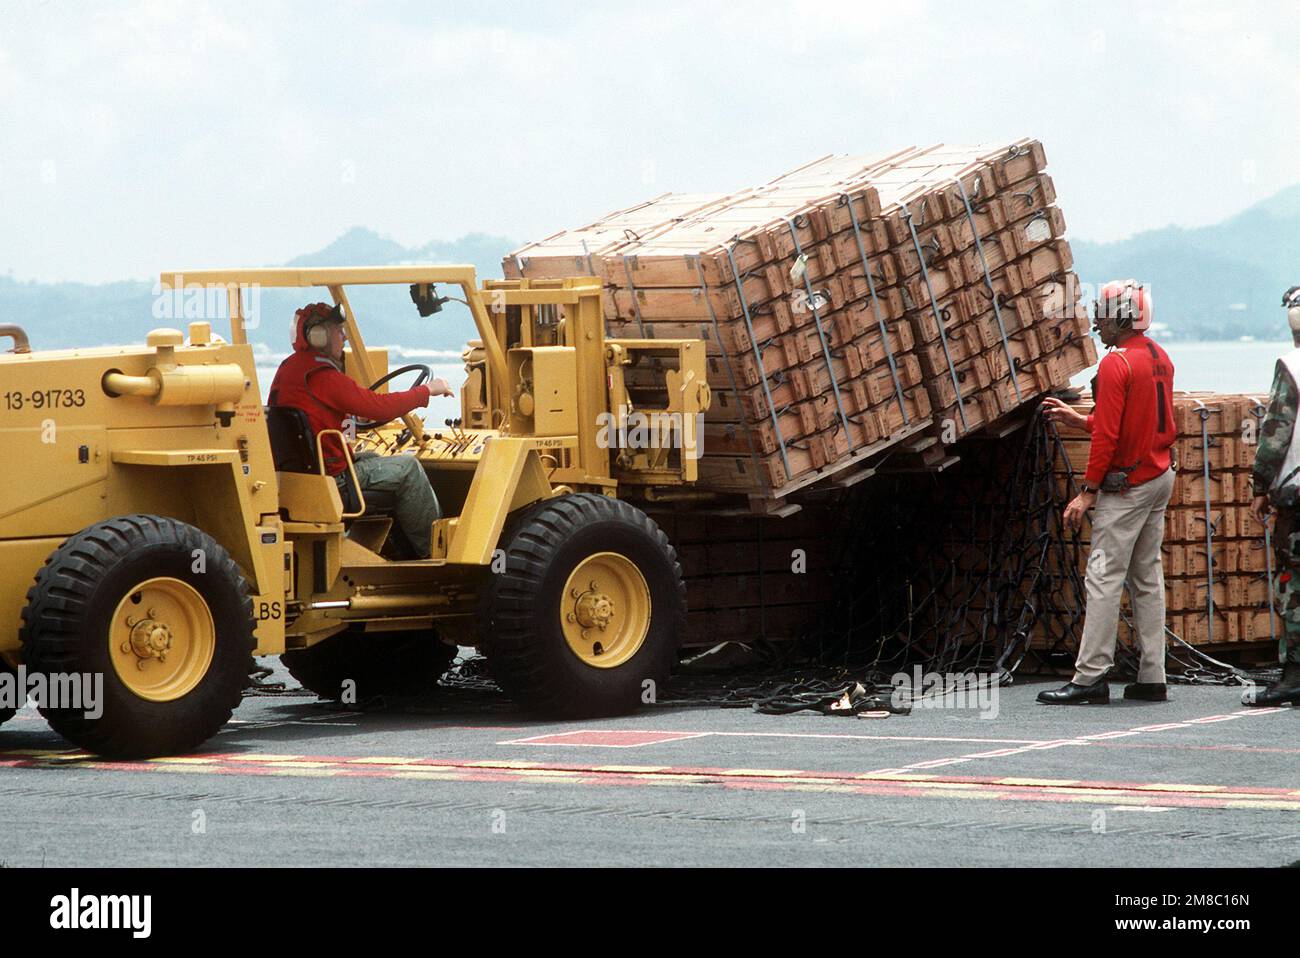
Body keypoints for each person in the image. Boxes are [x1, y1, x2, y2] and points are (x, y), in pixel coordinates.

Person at [1038, 280, 1176, 704]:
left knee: (1102, 575)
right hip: (1159, 476)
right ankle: (1153, 675)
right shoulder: (1159, 358)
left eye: (1101, 313)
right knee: (1147, 576)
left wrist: (1088, 492)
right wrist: (1077, 420)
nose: (1095, 321)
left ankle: (1090, 676)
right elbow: (1127, 420)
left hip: (1128, 485)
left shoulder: (1116, 364)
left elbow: (1109, 439)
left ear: (1119, 318)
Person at [268, 302, 453, 558]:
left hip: (303, 478)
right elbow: (379, 407)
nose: (343, 337)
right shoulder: (323, 375)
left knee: (373, 459)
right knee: (408, 469)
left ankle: (393, 554)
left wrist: (356, 411)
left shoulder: (290, 369)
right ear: (319, 335)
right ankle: (437, 554)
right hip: (334, 481)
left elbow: (332, 408)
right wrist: (427, 390)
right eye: (338, 330)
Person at [1245, 285, 1300, 706]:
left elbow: (1274, 436)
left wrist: (1259, 487)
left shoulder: (1292, 366)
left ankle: (1295, 673)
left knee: (1293, 583)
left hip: (1296, 497)